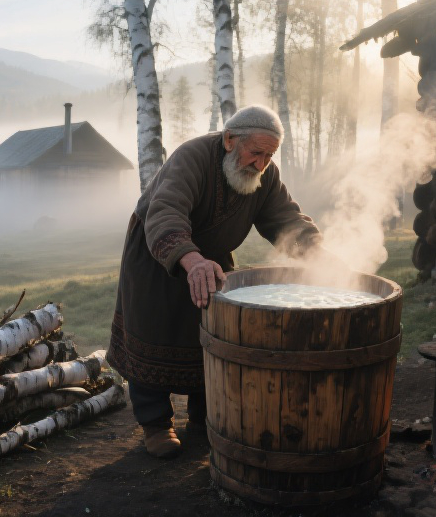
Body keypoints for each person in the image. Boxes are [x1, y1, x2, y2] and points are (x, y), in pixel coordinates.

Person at [106, 104, 325, 459]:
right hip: (159, 255)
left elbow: (286, 219)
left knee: (211, 336)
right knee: (152, 332)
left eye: (269, 156)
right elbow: (166, 211)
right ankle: (156, 424)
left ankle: (205, 414)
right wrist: (190, 260)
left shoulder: (265, 175)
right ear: (229, 140)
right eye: (256, 153)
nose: (261, 164)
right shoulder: (191, 158)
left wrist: (318, 253)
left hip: (212, 260)